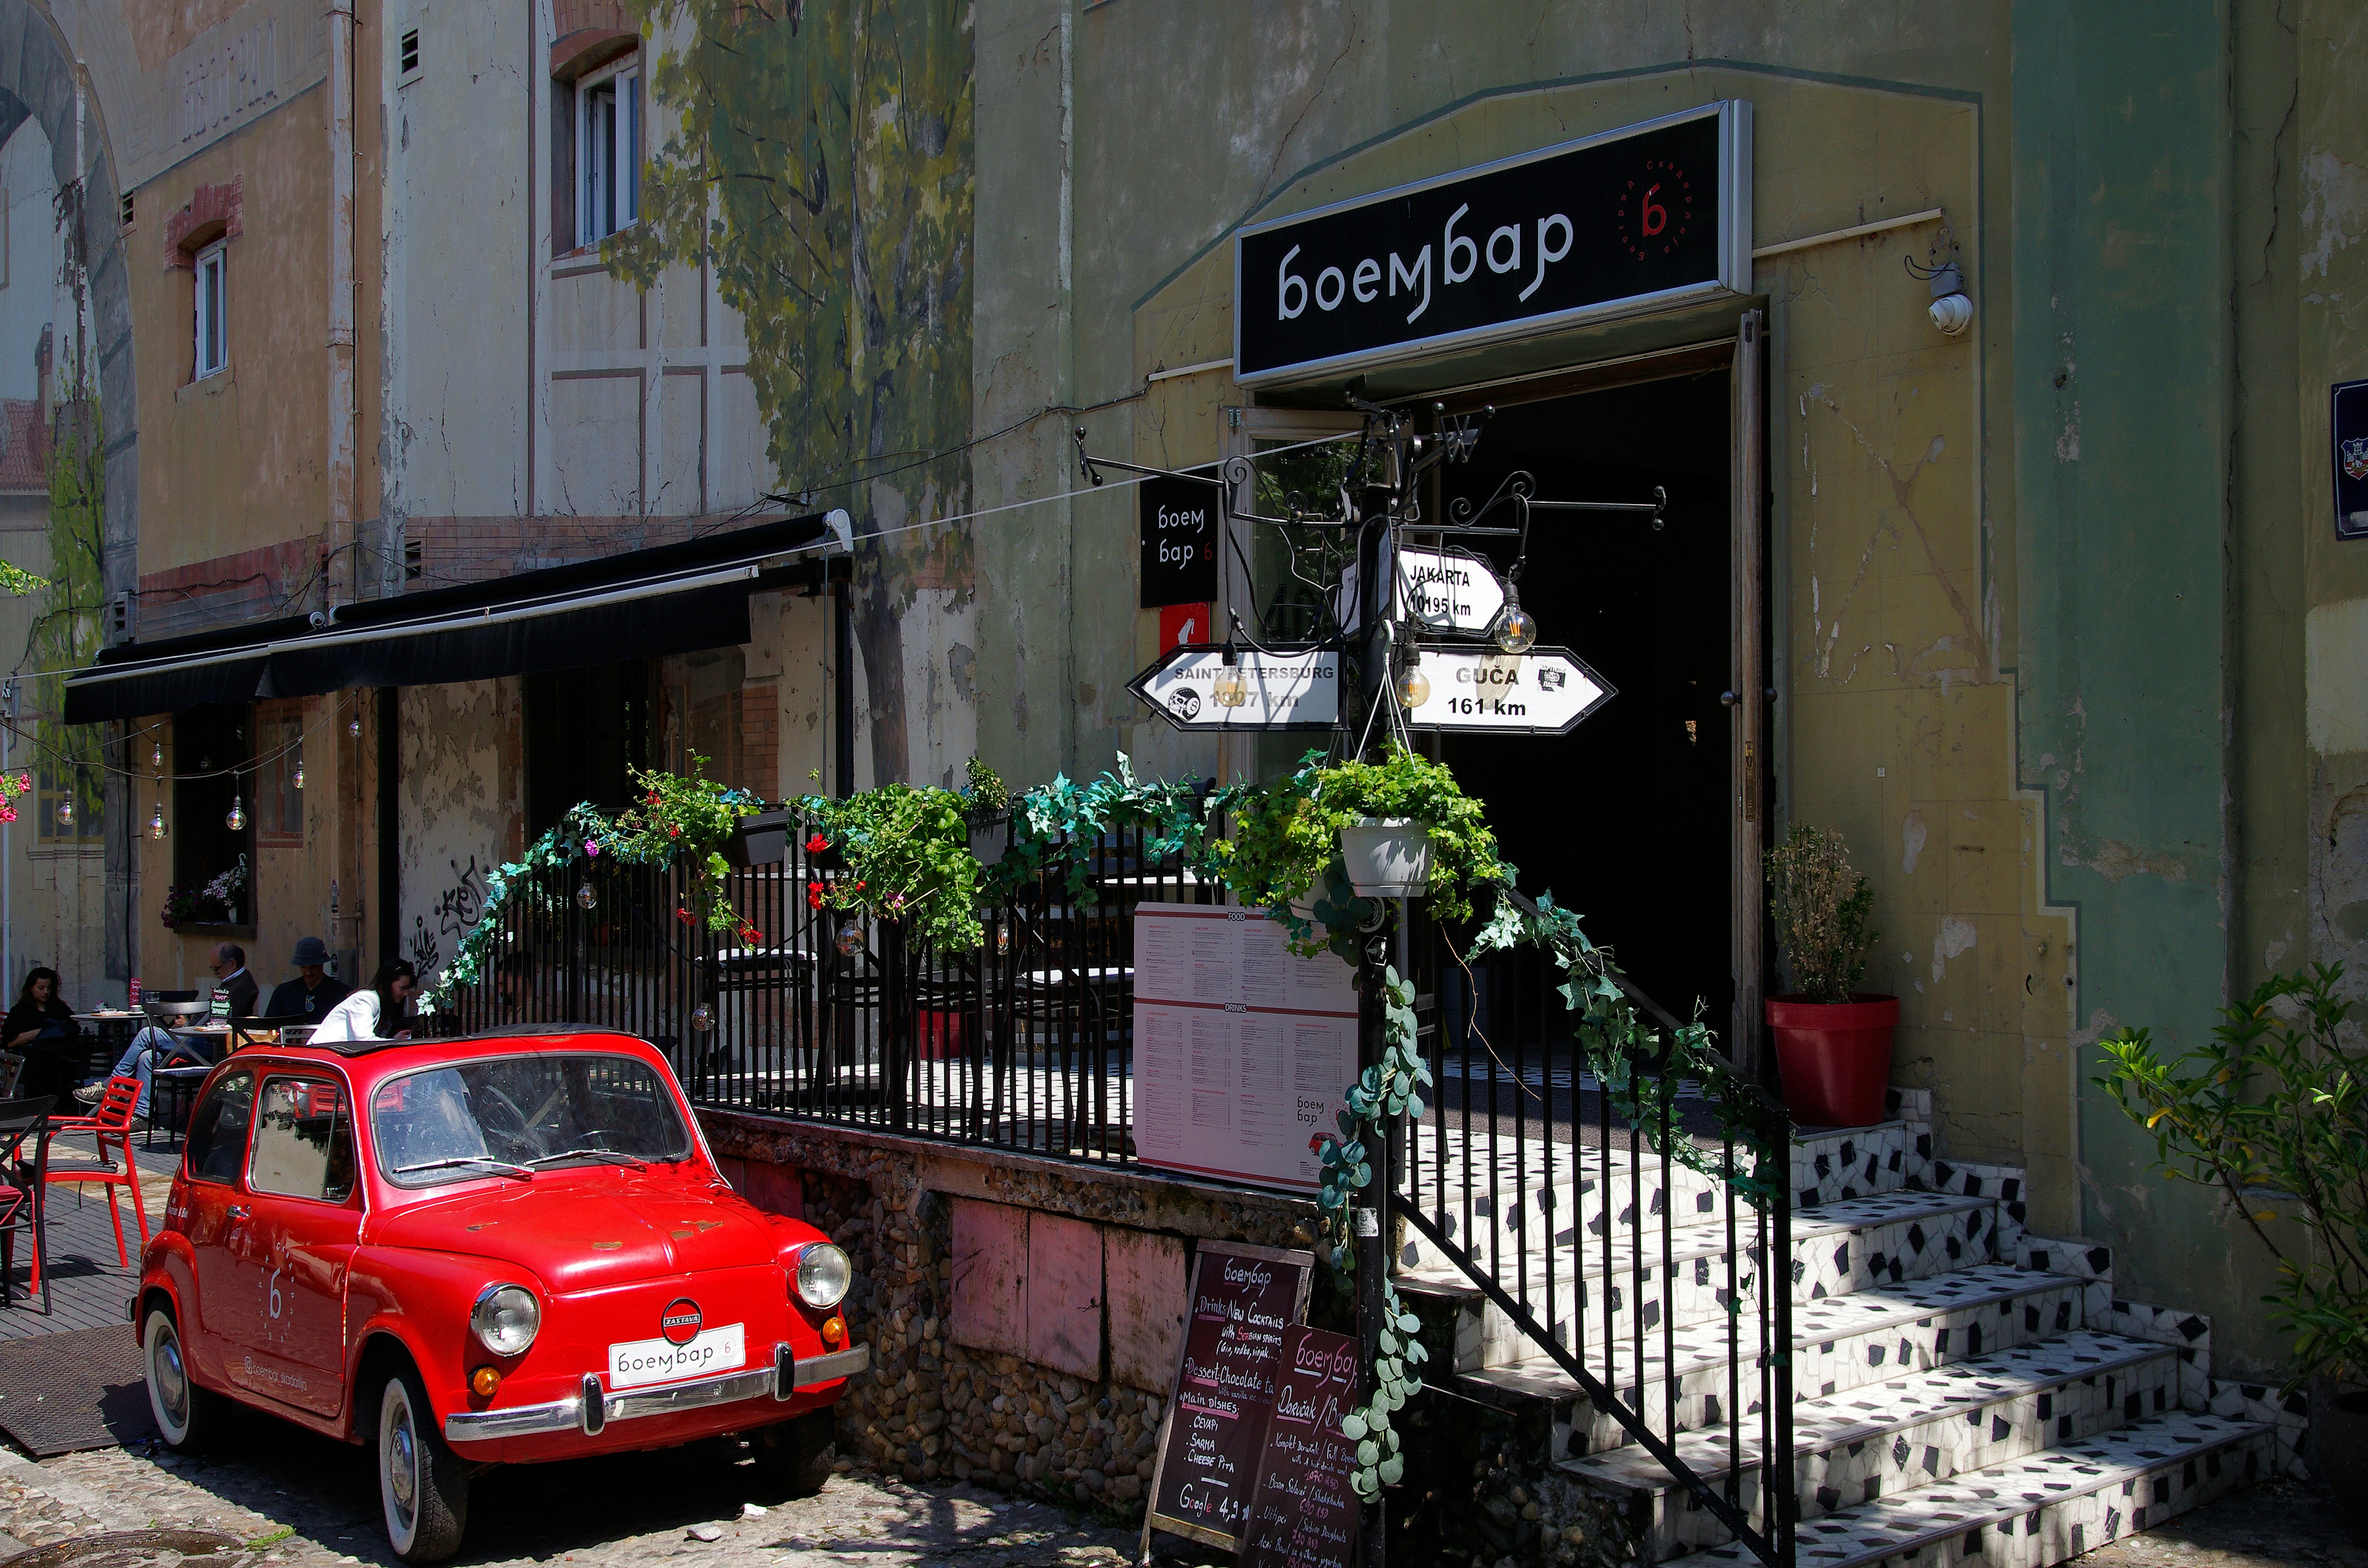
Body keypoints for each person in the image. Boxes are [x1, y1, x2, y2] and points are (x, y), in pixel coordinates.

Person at [4, 968, 81, 1100]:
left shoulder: (59, 1009)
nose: (46, 992)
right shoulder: (20, 1011)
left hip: (61, 1063)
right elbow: (10, 1041)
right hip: (35, 1064)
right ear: (31, 988)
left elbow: (73, 1028)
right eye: (41, 988)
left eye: (49, 988)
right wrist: (42, 1031)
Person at [312, 959, 418, 1044]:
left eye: (408, 989)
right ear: (387, 984)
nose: (406, 994)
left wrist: (395, 1040)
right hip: (325, 1058)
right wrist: (397, 1043)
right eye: (402, 988)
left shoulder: (379, 1002)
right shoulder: (366, 999)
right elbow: (365, 1042)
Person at [265, 936, 351, 1022]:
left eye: (313, 967)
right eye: (303, 967)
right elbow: (269, 1027)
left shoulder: (341, 993)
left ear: (322, 964)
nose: (308, 972)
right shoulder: (283, 992)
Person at [208, 943, 258, 1020]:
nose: (215, 973)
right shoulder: (237, 980)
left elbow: (219, 1019)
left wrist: (189, 1024)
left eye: (217, 968)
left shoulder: (241, 987)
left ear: (232, 964)